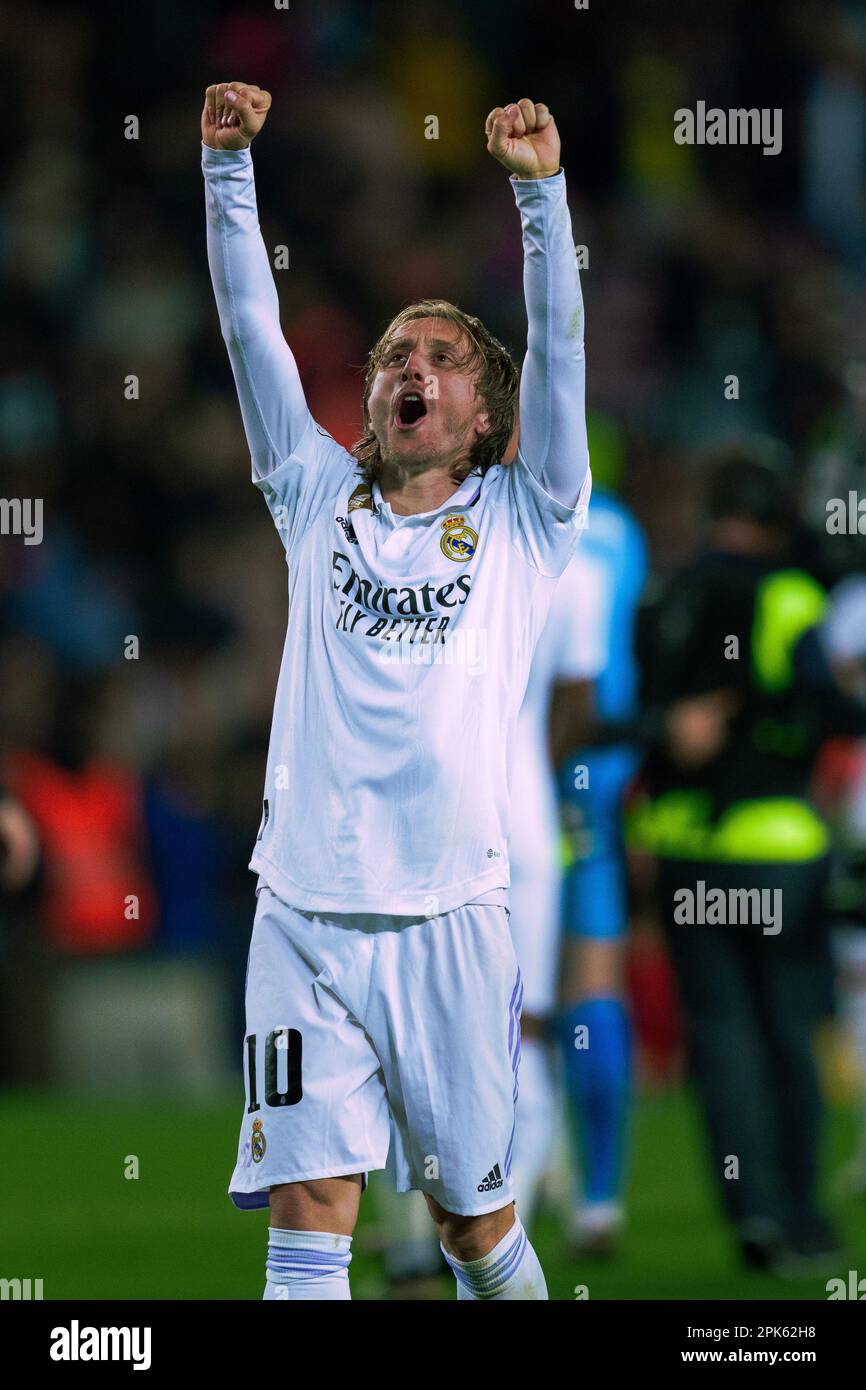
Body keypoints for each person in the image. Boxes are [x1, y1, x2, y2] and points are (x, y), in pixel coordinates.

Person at [202, 82, 591, 1301]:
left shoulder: (528, 518)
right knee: (309, 1213)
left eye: (440, 358)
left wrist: (539, 195)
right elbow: (250, 333)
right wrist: (224, 172)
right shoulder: (314, 497)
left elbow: (564, 349)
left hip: (451, 920)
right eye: (390, 359)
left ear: (483, 416)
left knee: (474, 1223)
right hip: (304, 915)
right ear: (367, 402)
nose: (408, 369)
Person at [630, 445, 866, 1274]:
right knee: (786, 1034)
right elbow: (832, 708)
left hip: (687, 853)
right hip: (776, 850)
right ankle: (803, 1215)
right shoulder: (788, 595)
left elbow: (636, 718)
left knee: (722, 1039)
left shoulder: (667, 595)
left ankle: (752, 1213)